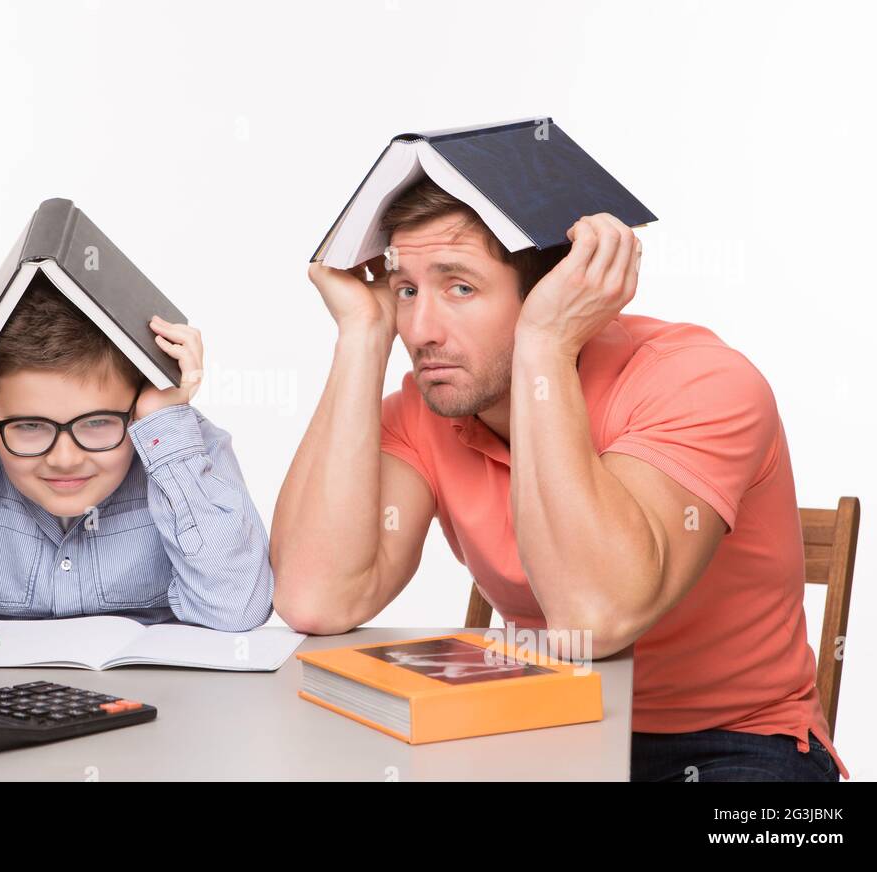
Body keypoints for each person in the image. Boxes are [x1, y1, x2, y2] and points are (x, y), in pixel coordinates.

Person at [271, 178, 846, 781]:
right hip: (544, 725)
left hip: (733, 743)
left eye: (460, 287)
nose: (420, 330)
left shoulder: (700, 382)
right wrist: (361, 336)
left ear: (551, 291)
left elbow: (594, 619)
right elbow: (316, 598)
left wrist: (544, 343)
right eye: (407, 290)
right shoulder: (427, 409)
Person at [0, 285, 274, 633]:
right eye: (30, 426)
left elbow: (235, 610)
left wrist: (162, 424)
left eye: (98, 422)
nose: (64, 459)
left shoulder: (181, 444)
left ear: (136, 405)